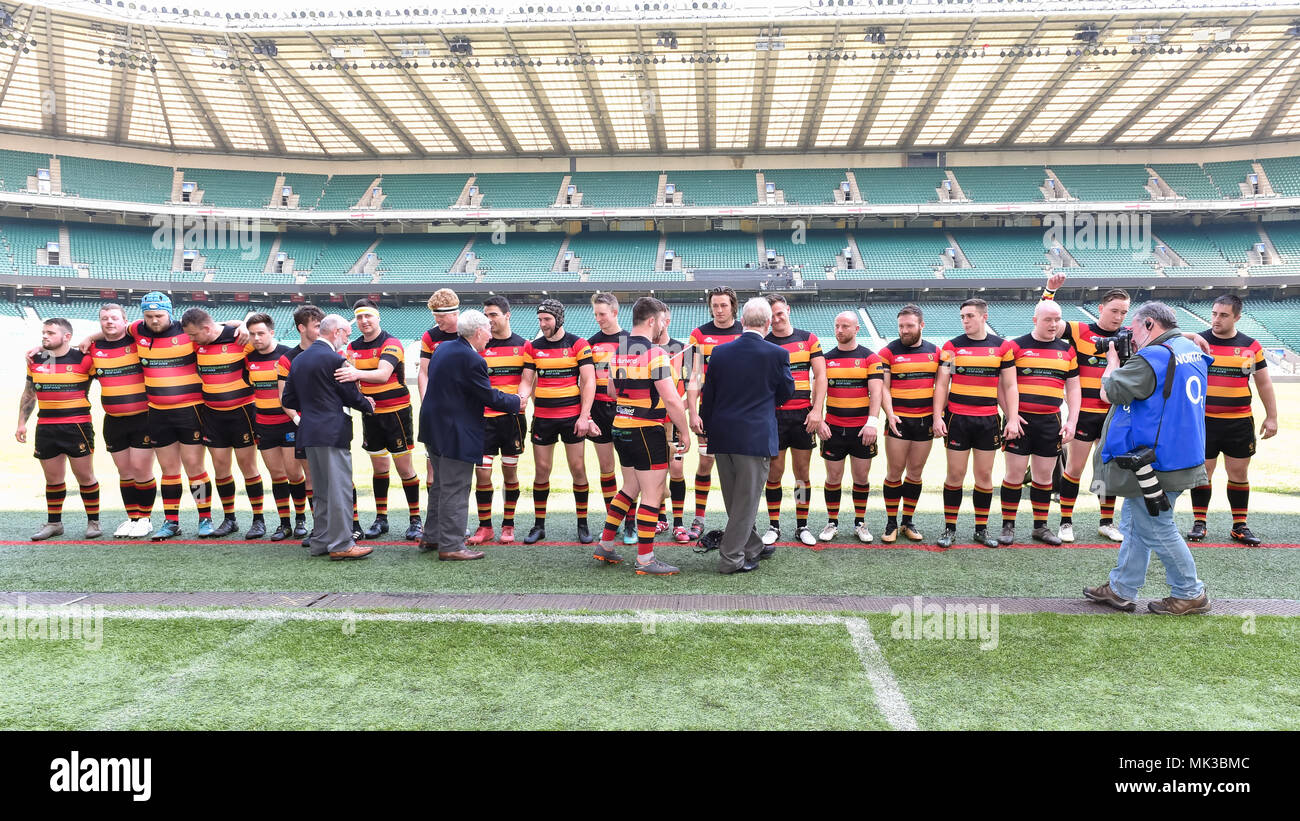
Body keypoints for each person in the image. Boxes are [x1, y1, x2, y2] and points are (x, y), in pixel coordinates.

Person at [1084, 302, 1213, 615]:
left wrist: (1113, 359)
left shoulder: (1153, 355)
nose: (1132, 337)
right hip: (1182, 453)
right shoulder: (1189, 348)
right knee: (1133, 521)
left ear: (1151, 325)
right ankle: (1121, 588)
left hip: (1158, 461)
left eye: (1135, 329)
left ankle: (1189, 592)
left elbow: (1109, 391)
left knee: (1157, 527)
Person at [593, 297, 691, 574]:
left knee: (629, 488)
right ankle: (646, 559)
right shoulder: (656, 353)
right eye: (661, 320)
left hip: (620, 426)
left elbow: (611, 392)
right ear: (652, 321)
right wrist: (684, 431)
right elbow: (672, 400)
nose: (662, 325)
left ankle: (606, 545)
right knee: (652, 493)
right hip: (646, 430)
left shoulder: (618, 352)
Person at [700, 298, 795, 574]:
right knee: (746, 500)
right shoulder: (777, 354)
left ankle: (752, 546)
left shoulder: (720, 352)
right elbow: (787, 392)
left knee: (734, 498)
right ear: (768, 324)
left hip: (723, 435)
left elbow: (709, 397)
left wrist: (707, 428)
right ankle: (731, 558)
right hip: (754, 437)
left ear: (742, 322)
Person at [418, 310, 523, 560]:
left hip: (434, 427)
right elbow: (487, 396)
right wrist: (515, 401)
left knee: (441, 486)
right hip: (454, 431)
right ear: (477, 332)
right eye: (488, 330)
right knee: (455, 487)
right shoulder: (473, 359)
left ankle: (432, 536)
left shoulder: (444, 348)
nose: (490, 335)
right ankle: (452, 546)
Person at [1041, 275, 1130, 542]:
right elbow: (1046, 321)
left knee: (1108, 469)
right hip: (1084, 414)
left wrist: (1192, 334)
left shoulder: (1129, 337)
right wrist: (1049, 292)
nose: (1119, 317)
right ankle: (1066, 522)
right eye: (1114, 310)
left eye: (1124, 312)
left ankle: (1106, 521)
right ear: (1101, 308)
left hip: (1113, 415)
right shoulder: (1079, 330)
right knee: (1075, 469)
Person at [1186, 294, 1278, 545]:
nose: (1216, 319)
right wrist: (1191, 335)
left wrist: (1272, 417)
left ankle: (1239, 526)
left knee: (1238, 472)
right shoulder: (1199, 342)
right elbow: (1167, 336)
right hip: (1204, 421)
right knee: (1203, 472)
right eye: (1214, 313)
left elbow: (1263, 383)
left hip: (1238, 421)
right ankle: (1199, 522)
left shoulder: (1250, 347)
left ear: (1237, 317)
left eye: (1223, 315)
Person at [282, 315, 375, 560]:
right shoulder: (336, 359)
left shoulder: (299, 360)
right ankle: (342, 543)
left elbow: (288, 400)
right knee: (339, 490)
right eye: (345, 333)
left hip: (309, 431)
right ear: (336, 332)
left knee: (321, 490)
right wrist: (368, 404)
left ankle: (321, 541)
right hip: (332, 432)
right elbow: (351, 396)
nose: (347, 338)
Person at [932, 298, 1019, 549]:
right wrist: (938, 416)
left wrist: (1012, 418)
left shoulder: (1002, 348)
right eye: (962, 317)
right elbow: (942, 384)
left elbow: (1010, 385)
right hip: (957, 418)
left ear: (984, 316)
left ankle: (981, 529)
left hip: (988, 420)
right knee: (955, 475)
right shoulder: (952, 347)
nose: (965, 321)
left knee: (984, 476)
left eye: (970, 316)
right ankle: (949, 529)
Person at [339, 299, 423, 542]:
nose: (365, 321)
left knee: (404, 467)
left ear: (378, 318)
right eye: (360, 317)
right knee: (379, 467)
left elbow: (383, 374)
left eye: (369, 316)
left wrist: (355, 373)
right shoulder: (352, 347)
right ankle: (381, 518)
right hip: (370, 414)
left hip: (396, 412)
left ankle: (415, 519)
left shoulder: (391, 342)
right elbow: (349, 380)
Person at [997, 301, 1080, 546]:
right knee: (1014, 474)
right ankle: (1008, 526)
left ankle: (1040, 527)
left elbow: (1073, 388)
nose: (1053, 324)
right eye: (1048, 319)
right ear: (1035, 320)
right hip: (1019, 421)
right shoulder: (1016, 346)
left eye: (1057, 319)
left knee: (1044, 477)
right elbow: (1002, 385)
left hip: (1050, 421)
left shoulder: (1067, 350)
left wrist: (1072, 421)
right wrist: (1010, 415)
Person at [181, 308, 266, 539]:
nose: (190, 339)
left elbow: (264, 336)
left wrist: (245, 321)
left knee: (248, 467)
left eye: (194, 335)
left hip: (243, 413)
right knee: (221, 469)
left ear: (207, 329)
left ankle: (258, 520)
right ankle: (230, 519)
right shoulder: (198, 343)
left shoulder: (240, 337)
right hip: (213, 414)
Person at [518, 300, 596, 544]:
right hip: (543, 419)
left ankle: (582, 524)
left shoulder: (578, 344)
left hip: (572, 419)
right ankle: (539, 525)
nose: (543, 325)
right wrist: (521, 397)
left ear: (559, 319)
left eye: (547, 320)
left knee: (578, 469)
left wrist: (584, 416)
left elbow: (589, 381)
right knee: (541, 470)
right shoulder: (532, 347)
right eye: (540, 320)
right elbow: (526, 380)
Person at [17, 318, 101, 540]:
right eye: (44, 332)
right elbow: (29, 393)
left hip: (77, 426)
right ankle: (54, 524)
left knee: (85, 475)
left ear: (67, 337)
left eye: (51, 333)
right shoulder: (37, 358)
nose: (45, 336)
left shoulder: (84, 359)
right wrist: (21, 422)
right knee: (53, 479)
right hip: (46, 426)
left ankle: (93, 522)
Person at [761, 294, 827, 547]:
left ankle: (802, 526)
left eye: (780, 313)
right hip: (774, 416)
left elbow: (820, 377)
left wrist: (816, 410)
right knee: (774, 474)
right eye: (772, 315)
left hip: (803, 416)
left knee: (801, 474)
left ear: (788, 310)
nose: (776, 319)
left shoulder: (808, 339)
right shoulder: (764, 342)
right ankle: (774, 525)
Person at [86, 303, 155, 538]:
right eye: (104, 318)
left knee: (141, 469)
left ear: (124, 321)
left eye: (114, 318)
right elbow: (63, 354)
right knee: (124, 472)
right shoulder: (93, 348)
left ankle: (145, 518)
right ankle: (132, 518)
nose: (109, 322)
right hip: (113, 420)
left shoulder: (138, 343)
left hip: (143, 417)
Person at [466, 296, 530, 545]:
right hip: (482, 419)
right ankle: (485, 527)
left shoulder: (524, 346)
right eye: (486, 315)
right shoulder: (479, 347)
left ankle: (508, 525)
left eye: (493, 314)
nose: (489, 320)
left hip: (512, 419)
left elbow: (527, 379)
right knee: (482, 472)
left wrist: (522, 398)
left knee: (509, 471)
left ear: (507, 315)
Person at [818, 310, 883, 544]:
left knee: (861, 477)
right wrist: (821, 421)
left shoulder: (870, 358)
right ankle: (832, 522)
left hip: (862, 430)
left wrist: (872, 423)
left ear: (857, 329)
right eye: (837, 326)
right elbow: (819, 394)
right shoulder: (825, 359)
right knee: (833, 477)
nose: (840, 330)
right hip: (833, 429)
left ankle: (860, 522)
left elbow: (876, 393)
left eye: (845, 326)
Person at [684, 286, 743, 540]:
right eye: (715, 305)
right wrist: (693, 412)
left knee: (741, 467)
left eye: (724, 305)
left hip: (741, 411)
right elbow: (692, 376)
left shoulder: (744, 331)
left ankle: (740, 522)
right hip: (709, 410)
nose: (719, 310)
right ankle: (699, 518)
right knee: (706, 462)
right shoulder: (698, 334)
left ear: (733, 307)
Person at [877, 305, 939, 543]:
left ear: (921, 325)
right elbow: (884, 388)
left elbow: (942, 387)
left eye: (909, 326)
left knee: (915, 473)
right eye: (901, 326)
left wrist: (937, 416)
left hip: (924, 423)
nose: (904, 330)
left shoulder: (937, 353)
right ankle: (891, 522)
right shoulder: (887, 352)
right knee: (894, 472)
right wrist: (890, 415)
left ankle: (907, 521)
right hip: (898, 422)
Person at [246, 312, 308, 542]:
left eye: (261, 333)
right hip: (263, 424)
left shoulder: (287, 355)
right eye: (252, 334)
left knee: (294, 473)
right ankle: (284, 524)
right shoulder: (248, 358)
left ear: (271, 332)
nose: (256, 338)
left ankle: (301, 519)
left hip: (288, 423)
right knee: (277, 475)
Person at [586, 292, 636, 545]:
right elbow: (586, 382)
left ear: (615, 313)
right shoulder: (591, 343)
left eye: (602, 314)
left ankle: (631, 523)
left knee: (630, 469)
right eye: (595, 314)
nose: (598, 319)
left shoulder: (630, 341)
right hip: (599, 411)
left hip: (625, 410)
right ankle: (612, 520)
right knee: (606, 469)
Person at [417, 288, 461, 525]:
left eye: (440, 317)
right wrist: (427, 404)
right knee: (434, 470)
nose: (437, 321)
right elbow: (423, 373)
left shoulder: (468, 333)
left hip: (460, 414)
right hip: (436, 413)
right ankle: (434, 524)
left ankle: (455, 523)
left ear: (454, 313)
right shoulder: (430, 336)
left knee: (458, 471)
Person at [654, 308, 691, 542]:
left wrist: (680, 408)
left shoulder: (684, 350)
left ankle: (678, 523)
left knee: (676, 470)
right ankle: (661, 518)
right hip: (651, 421)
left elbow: (694, 384)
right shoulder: (643, 350)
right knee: (655, 471)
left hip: (675, 420)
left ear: (667, 321)